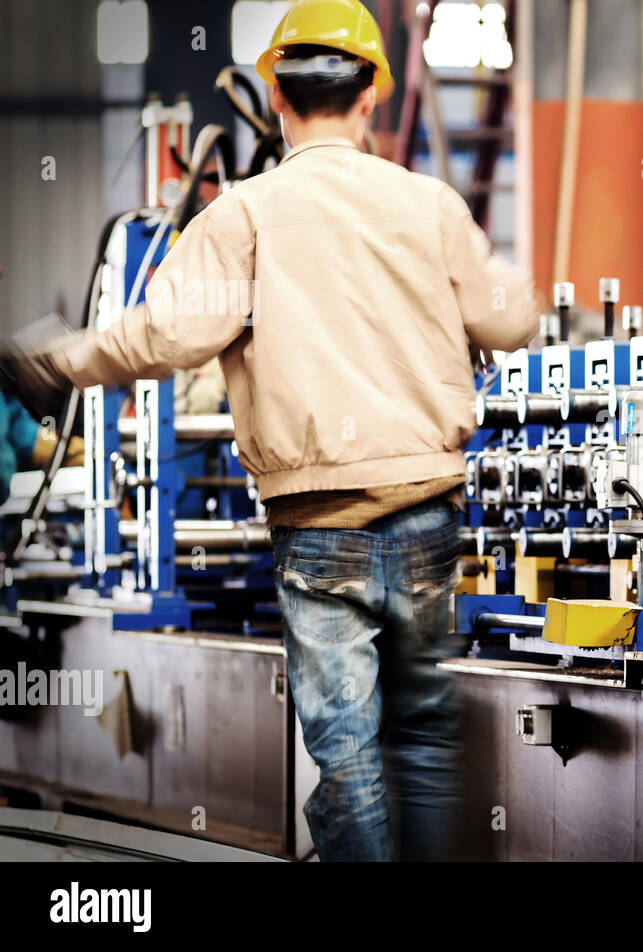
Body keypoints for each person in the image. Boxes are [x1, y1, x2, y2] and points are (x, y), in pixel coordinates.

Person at [0, 0, 539, 860]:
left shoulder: (245, 215)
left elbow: (163, 337)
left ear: (278, 101)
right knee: (428, 741)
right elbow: (511, 321)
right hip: (430, 515)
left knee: (350, 752)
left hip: (321, 525)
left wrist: (63, 361)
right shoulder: (430, 206)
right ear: (370, 97)